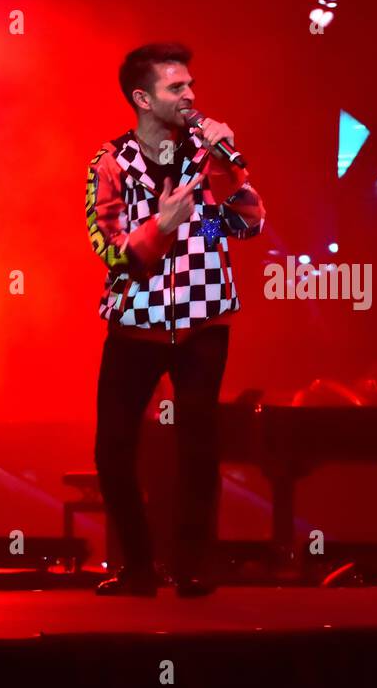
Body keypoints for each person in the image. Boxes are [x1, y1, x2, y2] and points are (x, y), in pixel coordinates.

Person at [85, 42, 264, 597]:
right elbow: (113, 252)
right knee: (112, 449)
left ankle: (190, 565)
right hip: (136, 323)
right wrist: (162, 227)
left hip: (204, 319)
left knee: (198, 443)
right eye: (176, 88)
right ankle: (137, 566)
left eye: (191, 85)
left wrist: (225, 171)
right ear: (143, 98)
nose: (190, 96)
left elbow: (248, 226)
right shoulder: (109, 164)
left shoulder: (209, 157)